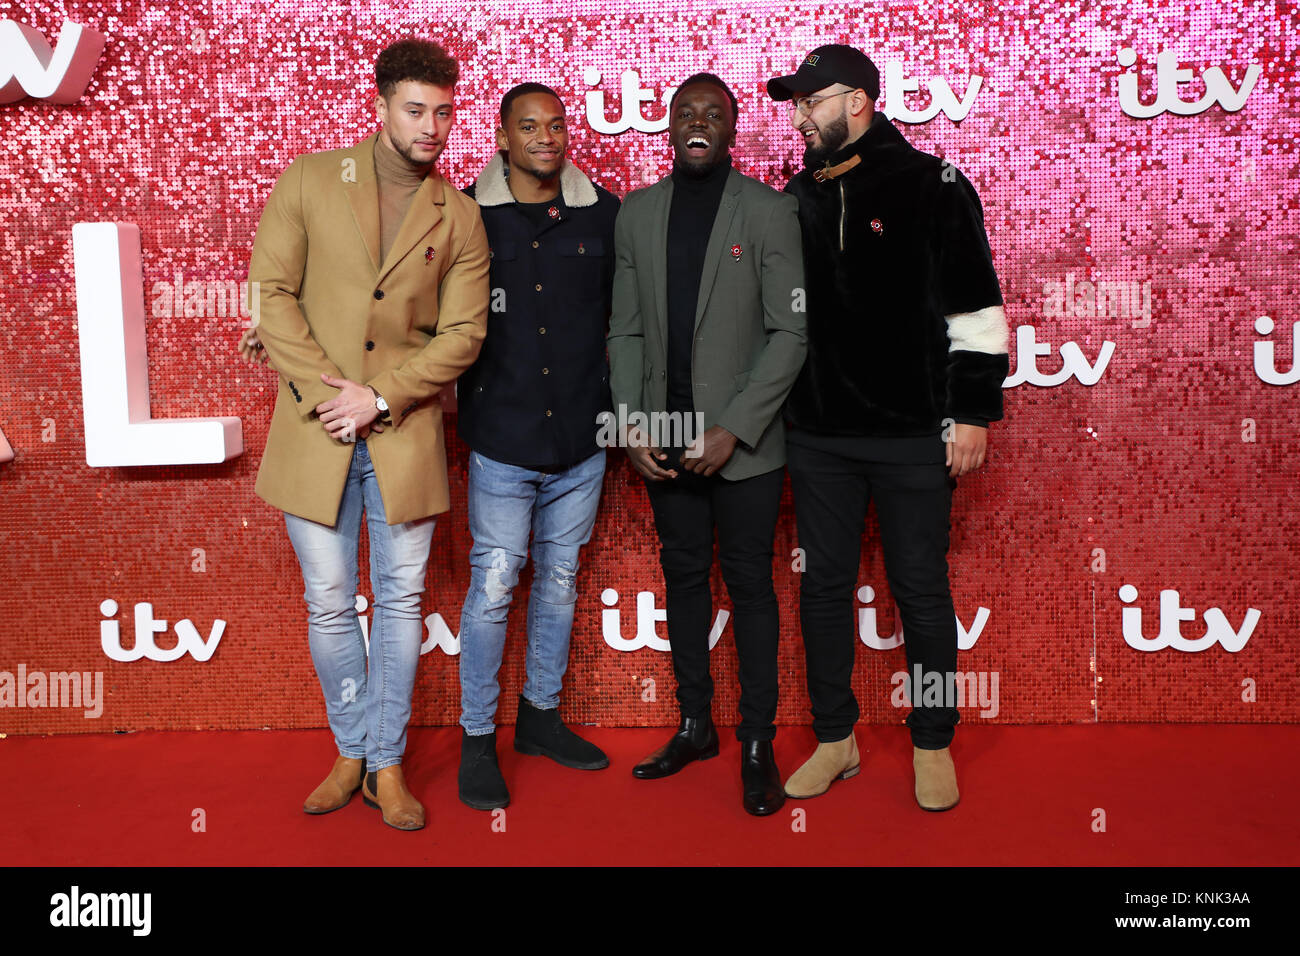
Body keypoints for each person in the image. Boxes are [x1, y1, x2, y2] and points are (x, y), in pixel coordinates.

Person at [241, 38, 488, 830]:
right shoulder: (310, 179)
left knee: (401, 601)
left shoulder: (463, 216)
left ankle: (386, 763)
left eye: (444, 112)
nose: (432, 127)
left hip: (404, 433)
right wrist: (330, 396)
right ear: (379, 107)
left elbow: (463, 335)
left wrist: (378, 398)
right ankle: (350, 748)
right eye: (416, 110)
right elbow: (272, 295)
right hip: (313, 432)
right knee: (328, 603)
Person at [766, 45, 1009, 811]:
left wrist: (971, 411)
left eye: (812, 102)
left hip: (913, 434)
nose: (800, 116)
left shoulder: (932, 183)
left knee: (921, 591)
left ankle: (933, 738)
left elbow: (975, 309)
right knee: (823, 592)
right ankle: (835, 738)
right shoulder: (795, 195)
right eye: (796, 104)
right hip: (817, 437)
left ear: (859, 101)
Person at [607, 72, 807, 817]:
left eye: (712, 114)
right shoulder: (638, 213)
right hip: (664, 443)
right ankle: (696, 725)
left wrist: (735, 428)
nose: (698, 122)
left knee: (751, 587)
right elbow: (624, 329)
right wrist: (631, 422)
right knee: (683, 580)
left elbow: (792, 331)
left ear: (732, 127)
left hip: (744, 448)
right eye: (685, 111)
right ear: (668, 125)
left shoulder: (769, 211)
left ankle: (758, 741)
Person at [452, 83, 620, 810]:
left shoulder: (607, 215)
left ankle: (540, 719)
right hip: (502, 442)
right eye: (529, 127)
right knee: (492, 594)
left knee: (558, 584)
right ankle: (477, 739)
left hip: (582, 443)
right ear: (501, 137)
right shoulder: (462, 213)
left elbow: (631, 322)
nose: (546, 138)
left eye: (555, 125)